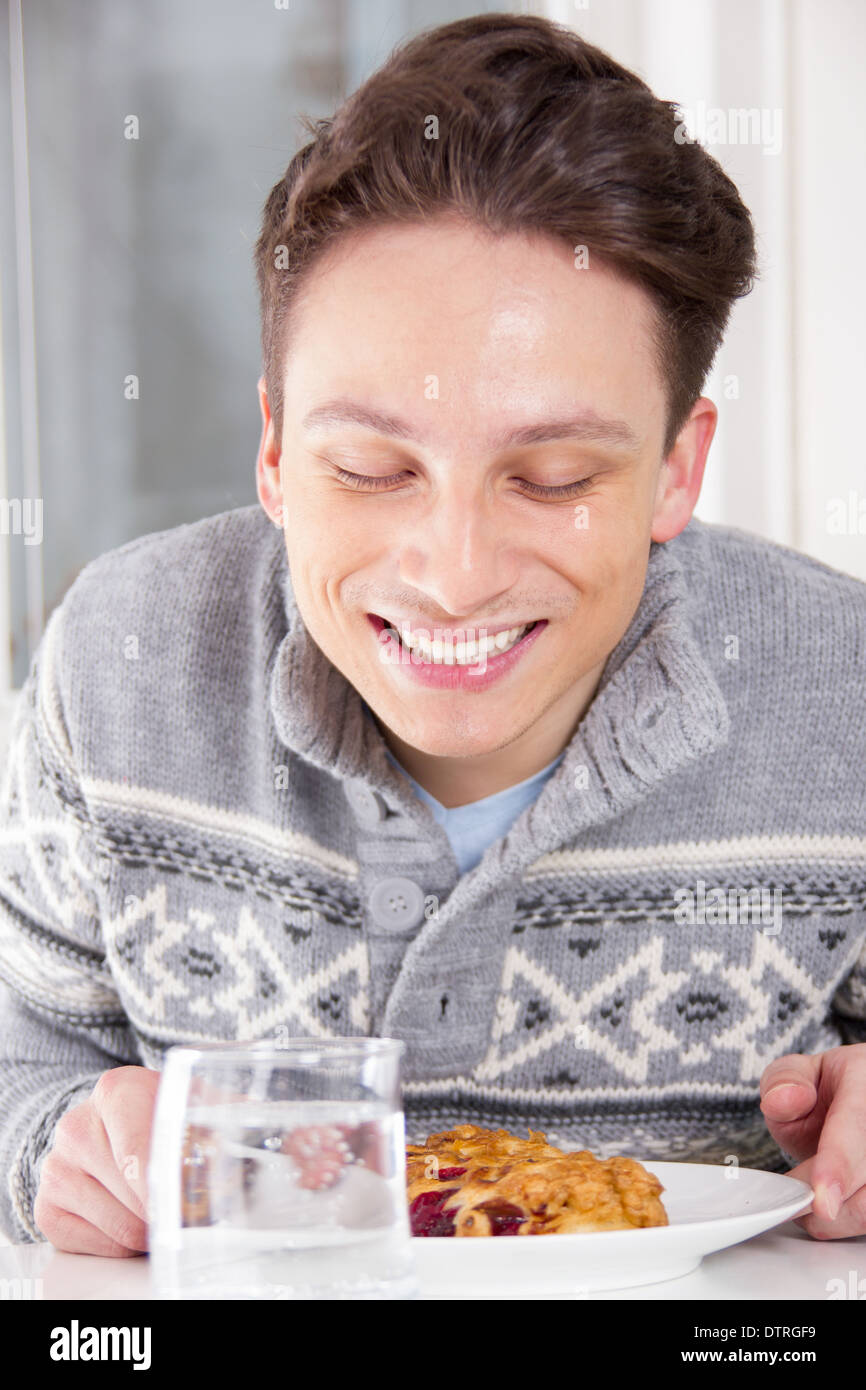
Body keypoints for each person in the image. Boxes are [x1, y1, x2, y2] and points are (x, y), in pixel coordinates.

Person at [0, 12, 864, 1258]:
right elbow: (24, 1064)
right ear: (276, 451)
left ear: (678, 469)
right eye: (368, 467)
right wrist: (57, 1146)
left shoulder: (840, 693)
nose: (453, 576)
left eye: (554, 476)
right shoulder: (114, 666)